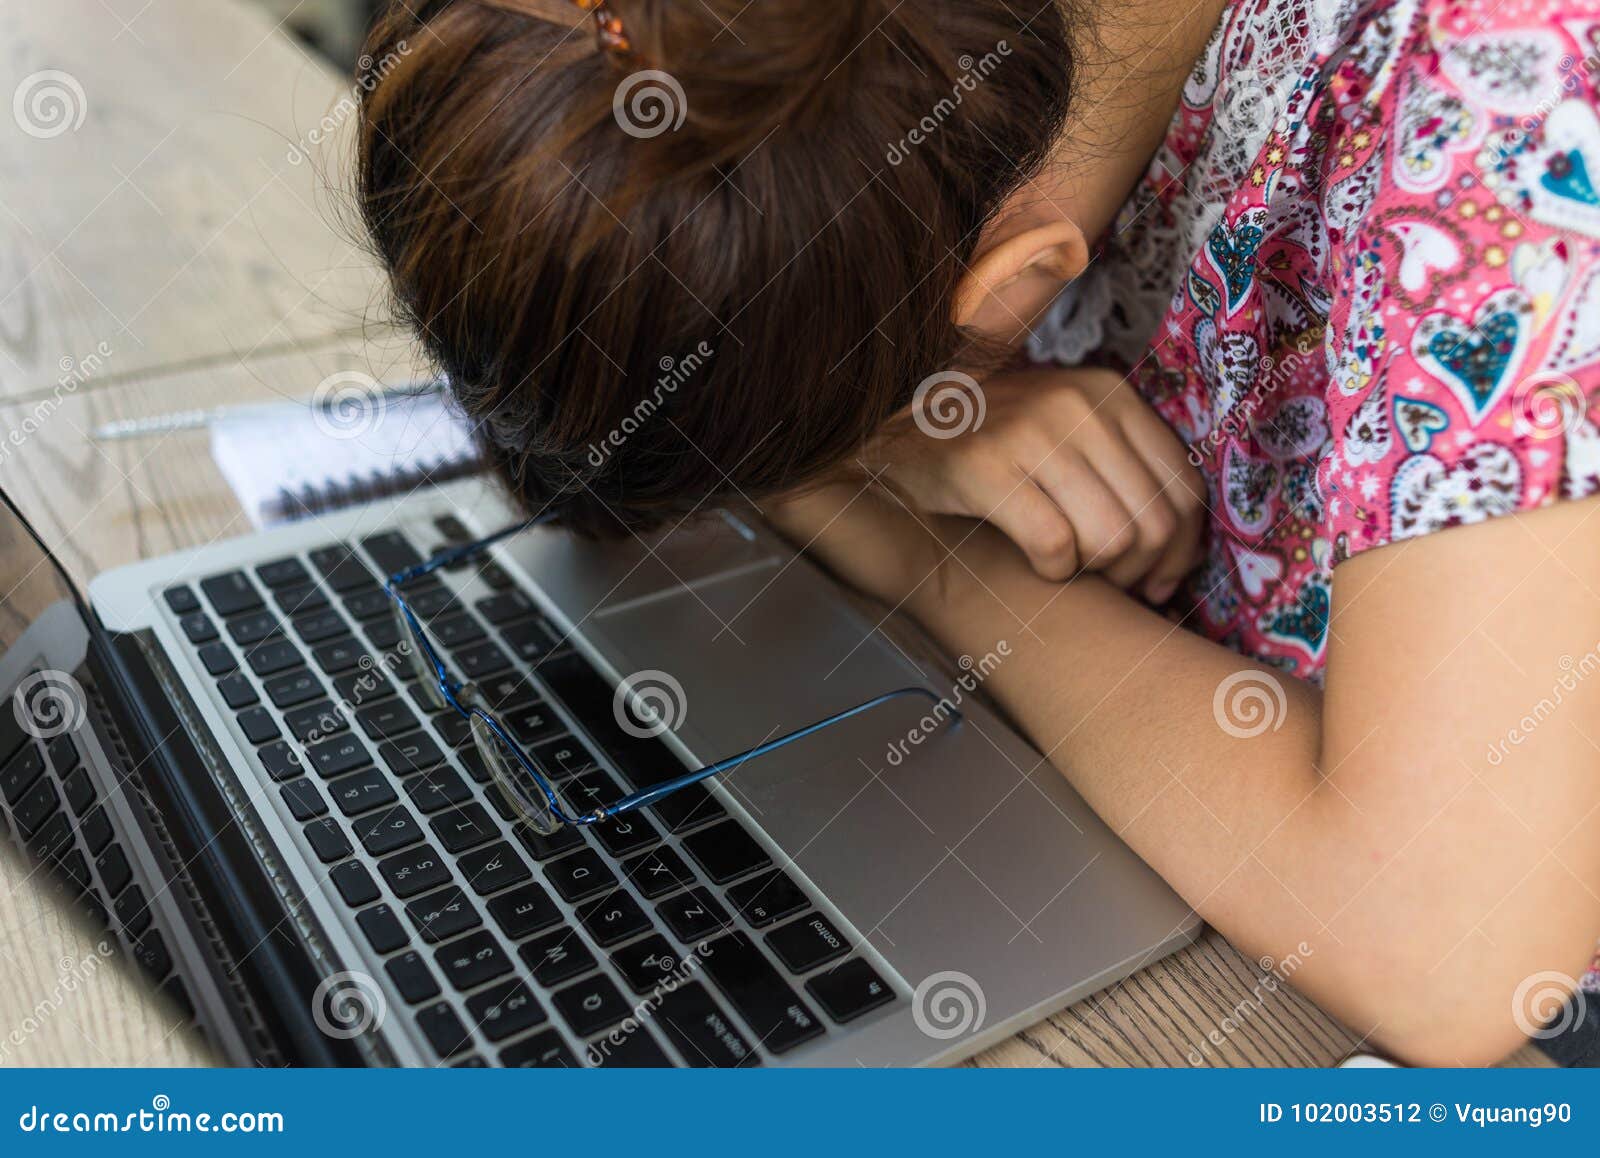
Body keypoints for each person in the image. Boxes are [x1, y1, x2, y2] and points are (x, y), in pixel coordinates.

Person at [354, 0, 1600, 1065]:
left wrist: (942, 562)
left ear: (1011, 284)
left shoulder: (1507, 94)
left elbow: (1445, 947)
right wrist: (895, 431)